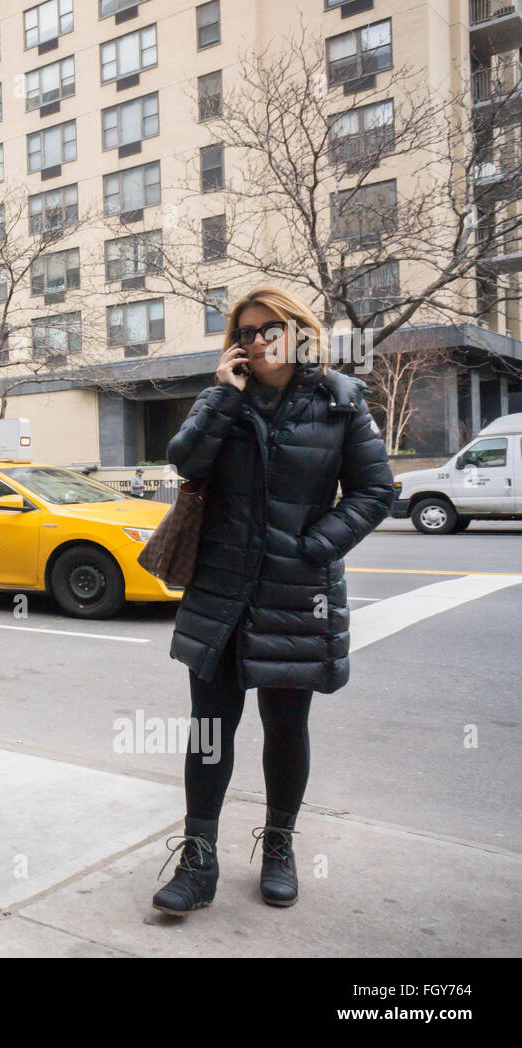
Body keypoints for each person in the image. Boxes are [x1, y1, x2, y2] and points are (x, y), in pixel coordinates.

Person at [152, 285, 395, 916]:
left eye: (271, 329)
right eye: (247, 330)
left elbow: (375, 491)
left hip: (296, 591)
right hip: (221, 589)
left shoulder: (340, 403)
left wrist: (316, 546)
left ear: (298, 332)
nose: (258, 341)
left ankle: (280, 846)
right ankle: (197, 860)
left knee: (286, 728)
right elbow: (183, 460)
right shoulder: (223, 400)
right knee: (210, 729)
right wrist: (221, 394)